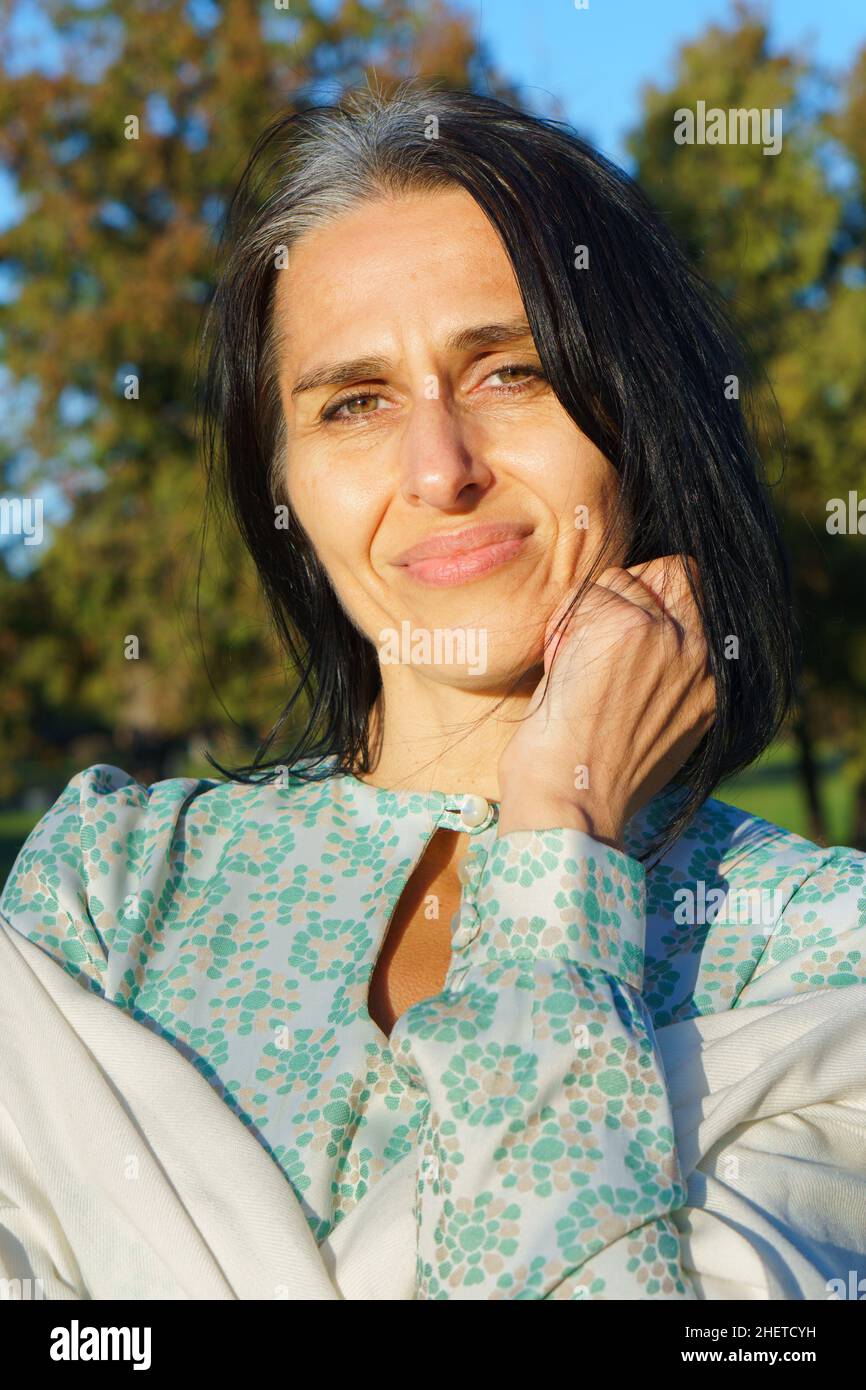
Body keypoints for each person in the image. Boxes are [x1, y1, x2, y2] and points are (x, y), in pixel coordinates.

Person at [2, 83, 866, 1301]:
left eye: (508, 371)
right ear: (284, 490)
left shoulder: (818, 951)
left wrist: (560, 833)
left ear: (637, 418)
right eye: (352, 402)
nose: (437, 467)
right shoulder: (105, 889)